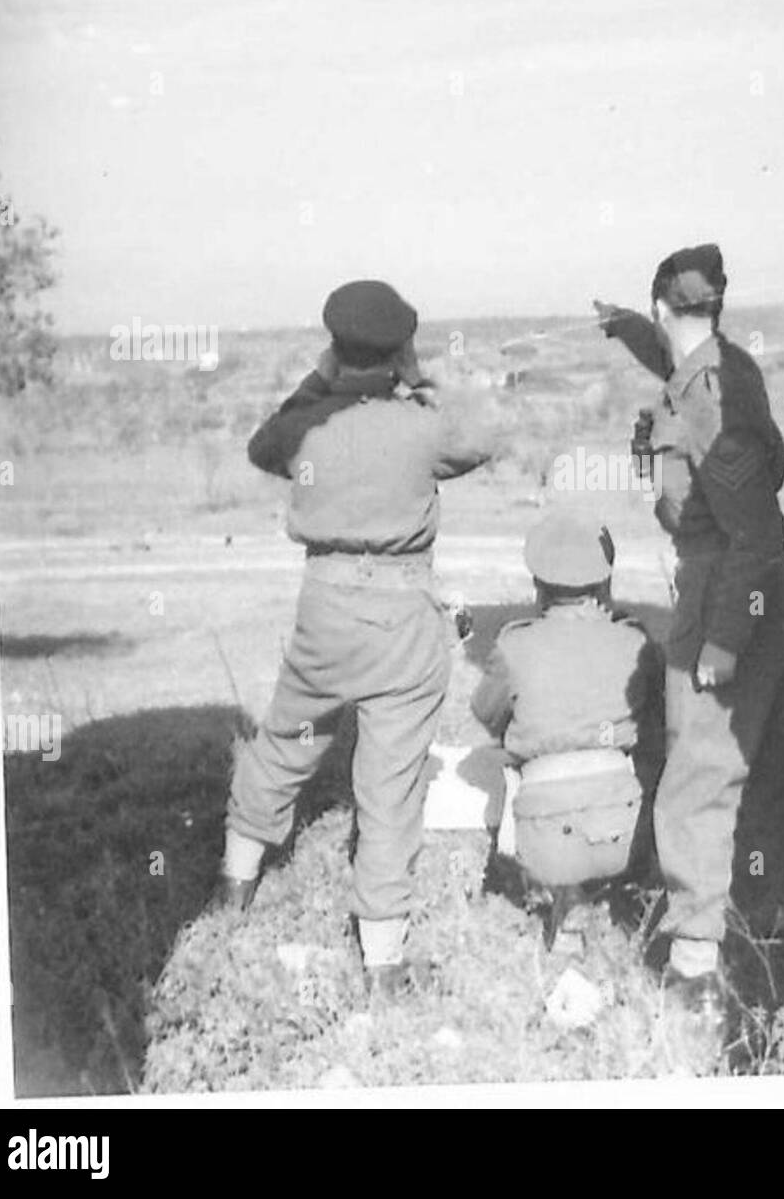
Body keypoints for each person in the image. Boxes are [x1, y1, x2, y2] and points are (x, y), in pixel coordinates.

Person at [213, 278, 492, 1000]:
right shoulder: (422, 426)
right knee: (390, 786)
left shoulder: (309, 426)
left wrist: (322, 379)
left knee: (283, 744)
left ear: (336, 347)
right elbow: (485, 434)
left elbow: (262, 442)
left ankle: (232, 895)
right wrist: (424, 374)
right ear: (399, 347)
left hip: (325, 605)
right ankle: (382, 963)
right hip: (400, 611)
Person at [595, 243, 784, 1016]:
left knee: (695, 777)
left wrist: (720, 641)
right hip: (756, 593)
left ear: (661, 306)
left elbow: (756, 533)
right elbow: (686, 364)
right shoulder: (726, 368)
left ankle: (693, 969)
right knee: (770, 761)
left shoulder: (706, 399)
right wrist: (628, 333)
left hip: (733, 591)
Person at [470, 510, 663, 944]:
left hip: (544, 840)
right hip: (626, 830)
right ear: (603, 582)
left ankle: (568, 899)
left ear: (539, 584)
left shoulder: (514, 644)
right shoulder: (635, 641)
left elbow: (487, 713)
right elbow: (658, 721)